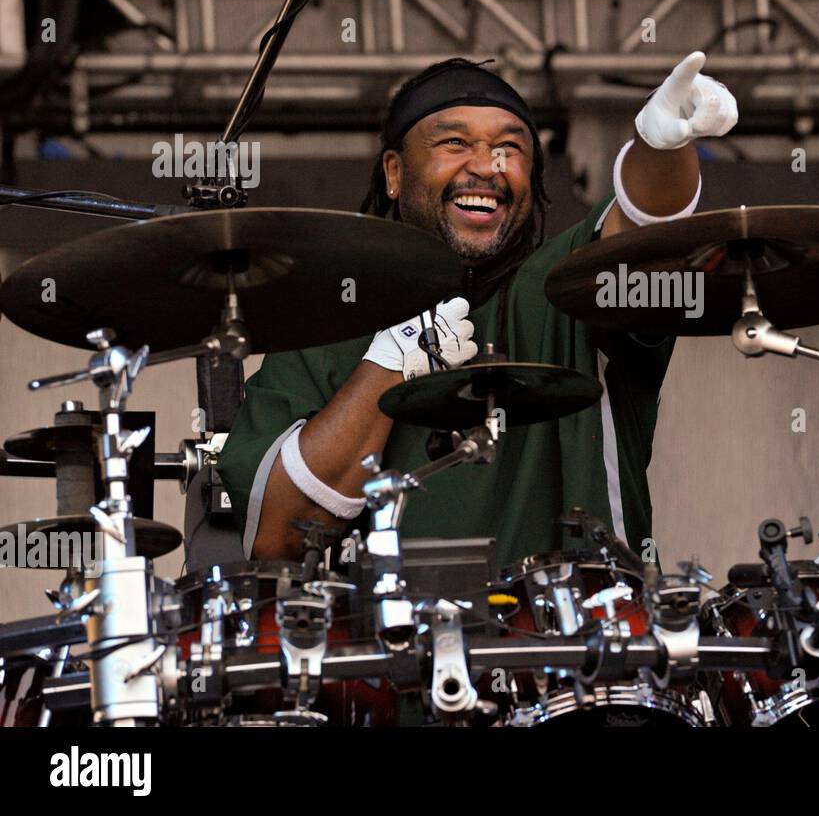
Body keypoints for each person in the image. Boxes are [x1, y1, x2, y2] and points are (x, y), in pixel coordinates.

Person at [219, 52, 737, 567]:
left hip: (589, 638)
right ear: (394, 173)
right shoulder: (332, 322)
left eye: (510, 148)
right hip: (388, 642)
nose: (487, 166)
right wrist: (390, 362)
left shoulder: (562, 287)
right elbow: (277, 538)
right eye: (454, 142)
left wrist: (660, 143)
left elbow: (642, 229)